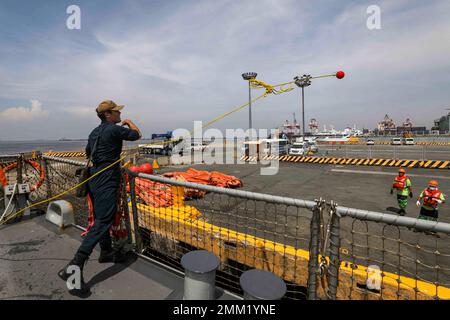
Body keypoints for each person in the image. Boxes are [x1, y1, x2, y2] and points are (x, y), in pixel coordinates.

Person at [58, 100, 141, 294]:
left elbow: (89, 152)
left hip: (94, 179)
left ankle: (105, 251)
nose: (119, 114)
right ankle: (74, 266)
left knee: (100, 217)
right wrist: (129, 123)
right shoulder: (114, 129)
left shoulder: (94, 132)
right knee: (103, 220)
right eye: (116, 112)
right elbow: (137, 135)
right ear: (108, 115)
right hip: (106, 179)